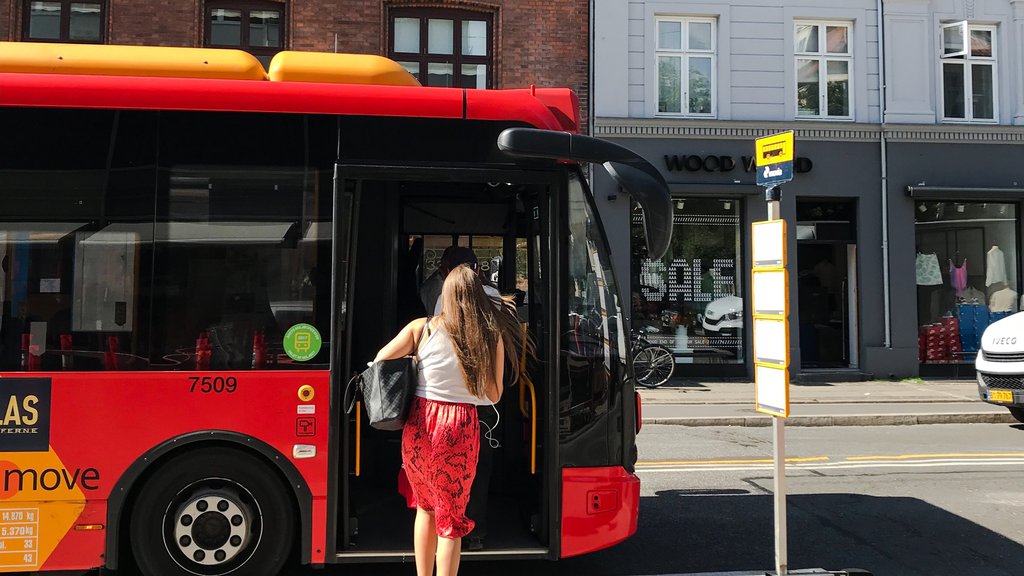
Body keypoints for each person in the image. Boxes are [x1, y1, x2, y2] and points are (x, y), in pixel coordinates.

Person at [374, 265, 525, 576]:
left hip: (419, 422)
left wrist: (416, 364)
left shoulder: (421, 328)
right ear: (478, 296)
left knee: (425, 508)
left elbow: (380, 360)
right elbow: (494, 394)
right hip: (458, 424)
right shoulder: (489, 336)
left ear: (444, 296)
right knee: (451, 517)